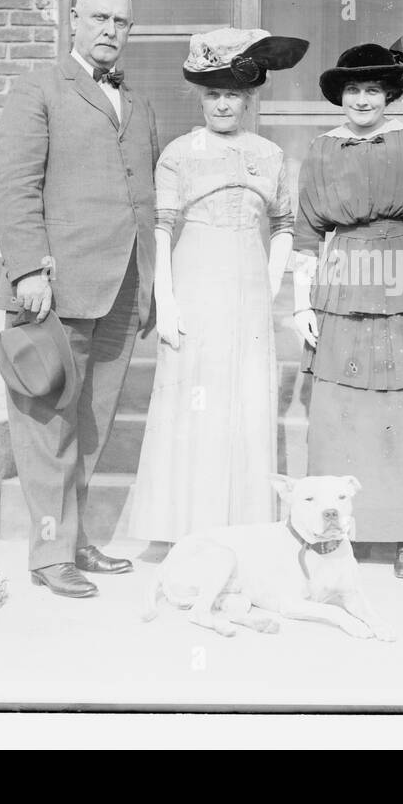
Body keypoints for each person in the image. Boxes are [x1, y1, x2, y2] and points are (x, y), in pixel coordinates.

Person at [0, 0, 159, 599]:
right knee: (46, 419)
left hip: (122, 287)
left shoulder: (138, 105)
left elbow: (143, 198)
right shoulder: (38, 88)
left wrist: (150, 283)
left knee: (92, 422)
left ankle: (75, 539)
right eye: (99, 18)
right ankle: (49, 552)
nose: (110, 30)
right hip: (54, 287)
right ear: (73, 19)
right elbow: (14, 186)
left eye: (121, 21)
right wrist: (27, 269)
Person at [130, 28, 308, 542]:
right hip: (195, 280)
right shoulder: (180, 153)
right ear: (200, 98)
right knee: (195, 399)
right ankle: (187, 529)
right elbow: (161, 228)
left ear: (249, 99)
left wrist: (268, 287)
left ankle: (240, 532)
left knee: (245, 400)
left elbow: (283, 226)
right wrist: (166, 301)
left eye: (233, 94)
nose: (223, 105)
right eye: (213, 94)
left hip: (248, 287)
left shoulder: (270, 155)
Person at [292, 36, 403, 586]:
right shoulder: (321, 151)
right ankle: (346, 531)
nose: (362, 100)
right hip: (342, 279)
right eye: (353, 91)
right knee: (344, 408)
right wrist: (301, 302)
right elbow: (306, 231)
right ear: (341, 96)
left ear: (389, 95)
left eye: (373, 90)